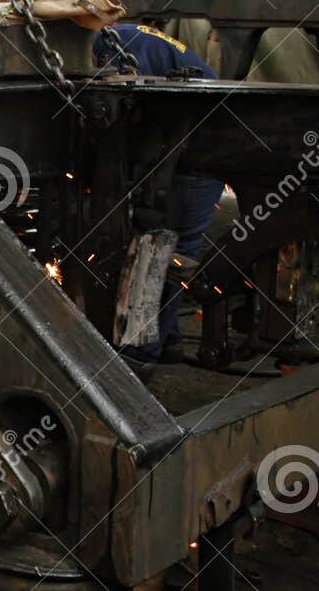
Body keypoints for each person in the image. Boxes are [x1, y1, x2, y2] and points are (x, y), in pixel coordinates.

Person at [95, 23, 226, 371]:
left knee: (161, 249)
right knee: (165, 245)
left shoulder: (108, 50)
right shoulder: (116, 37)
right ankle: (168, 341)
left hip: (199, 153)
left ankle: (138, 359)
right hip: (187, 145)